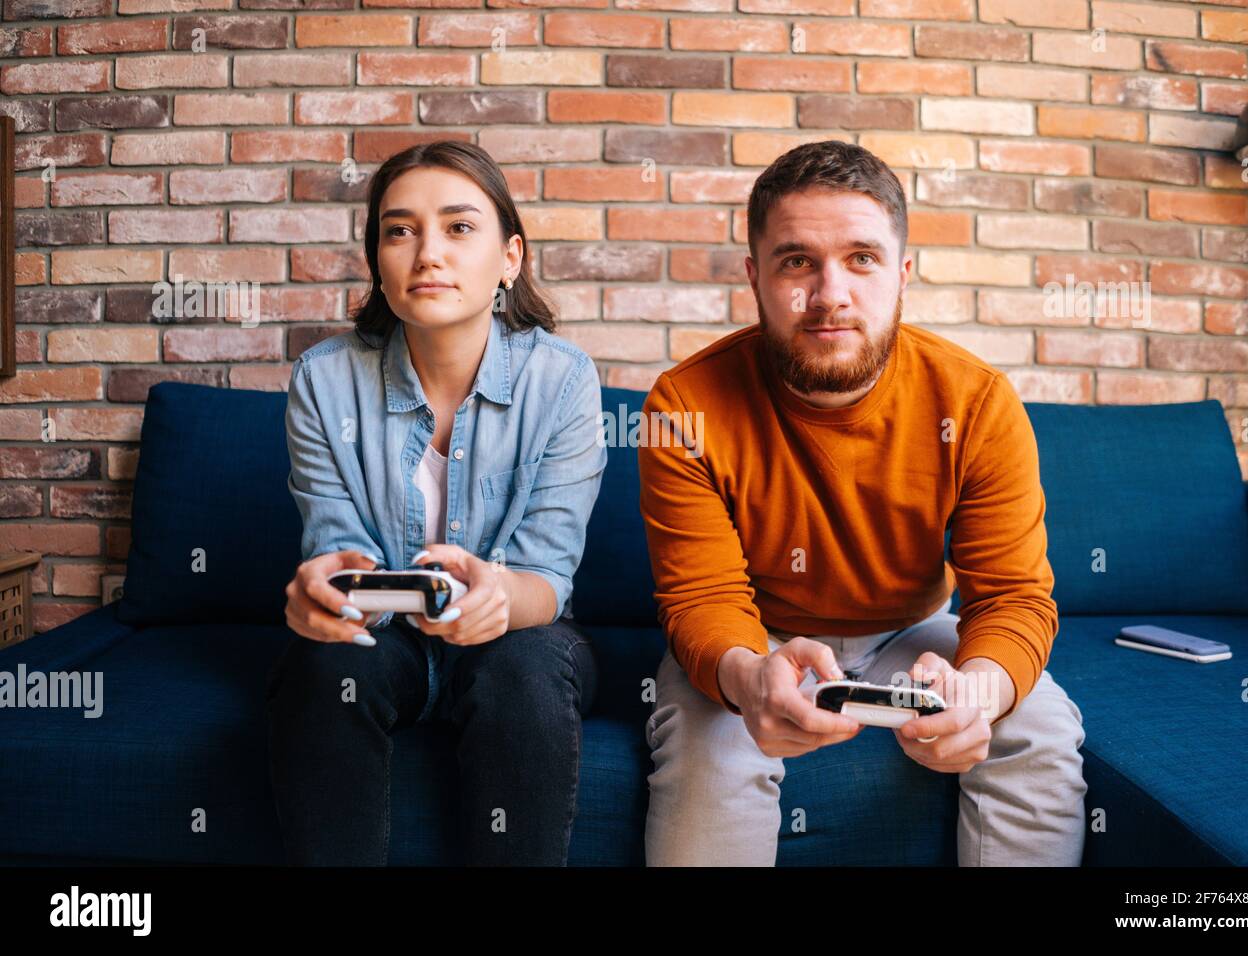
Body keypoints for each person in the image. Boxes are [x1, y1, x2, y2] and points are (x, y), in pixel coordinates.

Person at [638, 140, 1088, 866]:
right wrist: (749, 677)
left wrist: (979, 690)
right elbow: (702, 597)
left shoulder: (977, 403)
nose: (829, 295)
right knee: (713, 745)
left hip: (914, 634)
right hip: (762, 636)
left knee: (1039, 726)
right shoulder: (682, 405)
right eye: (796, 262)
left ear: (902, 274)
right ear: (754, 276)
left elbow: (1011, 597)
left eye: (862, 259)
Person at [267, 141, 607, 866]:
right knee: (322, 666)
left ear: (509, 258)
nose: (427, 253)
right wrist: (325, 595)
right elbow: (334, 545)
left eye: (458, 228)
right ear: (377, 259)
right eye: (399, 230)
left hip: (523, 639)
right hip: (386, 637)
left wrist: (497, 598)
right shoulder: (324, 381)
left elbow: (549, 574)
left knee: (520, 668)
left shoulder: (565, 380)